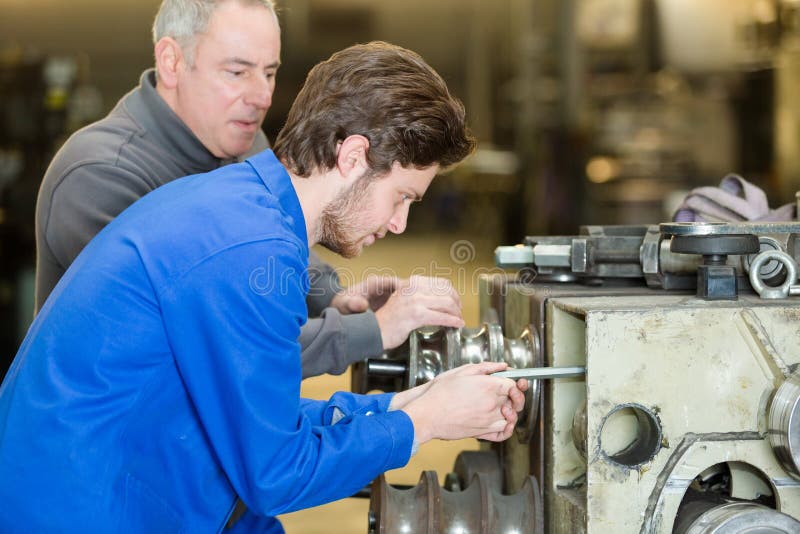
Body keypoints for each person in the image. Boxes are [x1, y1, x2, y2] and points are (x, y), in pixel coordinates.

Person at [0, 41, 528, 532]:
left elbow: (257, 417)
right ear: (352, 157)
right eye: (403, 197)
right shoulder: (247, 250)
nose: (399, 224)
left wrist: (408, 405)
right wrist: (426, 422)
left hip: (127, 474)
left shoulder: (247, 209)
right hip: (84, 510)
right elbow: (277, 473)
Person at [33, 0, 465, 379]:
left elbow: (281, 236)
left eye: (270, 72)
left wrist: (332, 298)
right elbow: (217, 346)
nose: (261, 96)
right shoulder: (102, 174)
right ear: (171, 61)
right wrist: (371, 332)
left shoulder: (241, 141)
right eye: (237, 71)